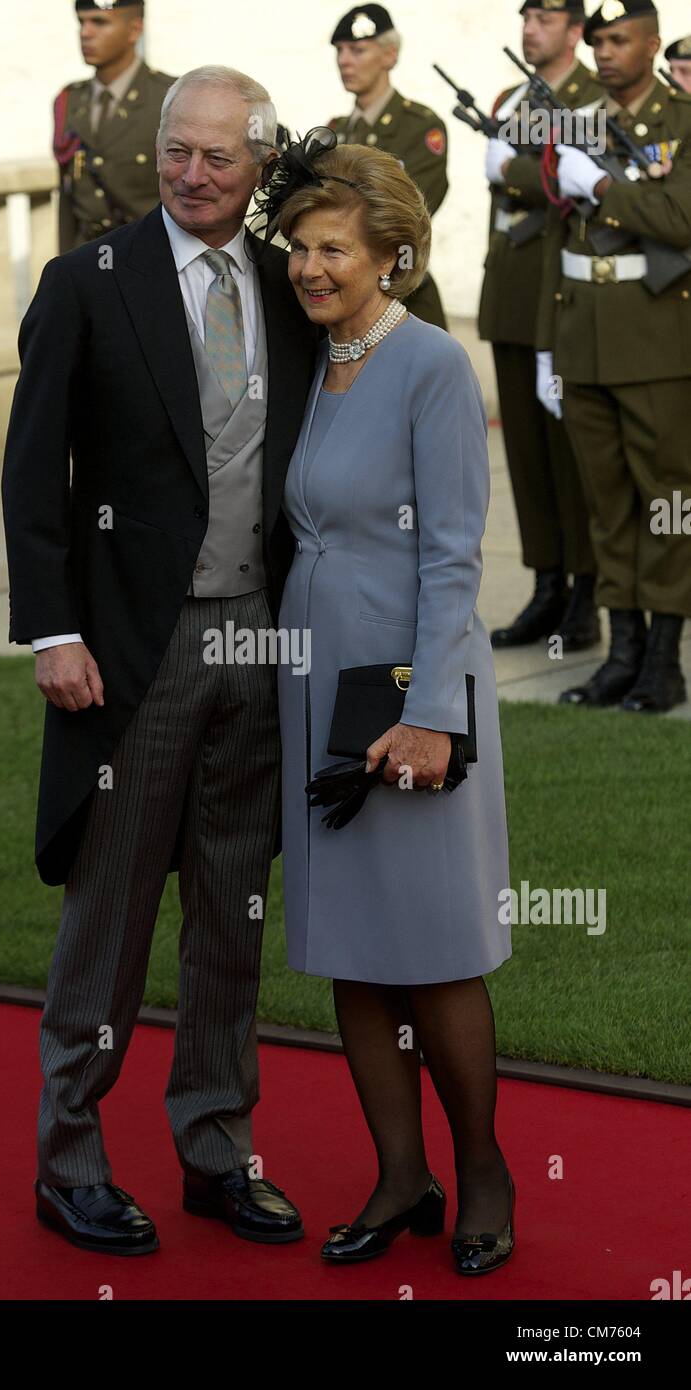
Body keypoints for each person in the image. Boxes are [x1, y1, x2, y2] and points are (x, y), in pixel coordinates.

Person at [1, 66, 317, 1256]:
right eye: (177, 150)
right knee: (112, 913)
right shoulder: (85, 284)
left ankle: (218, 1149)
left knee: (232, 911)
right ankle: (69, 1160)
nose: (190, 173)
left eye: (219, 158)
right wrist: (54, 629)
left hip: (264, 644)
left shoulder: (292, 285)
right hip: (135, 652)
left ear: (260, 165)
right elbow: (34, 476)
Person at [269, 134, 515, 1275]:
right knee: (356, 948)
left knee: (433, 942)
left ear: (392, 257)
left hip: (412, 684)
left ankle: (482, 1173)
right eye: (299, 247)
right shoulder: (314, 361)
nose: (310, 268)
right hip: (314, 679)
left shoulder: (432, 366)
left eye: (332, 249)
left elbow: (454, 559)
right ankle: (398, 1171)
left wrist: (428, 712)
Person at [536, 0, 691, 713]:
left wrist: (600, 185)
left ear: (651, 44)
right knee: (606, 505)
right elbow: (551, 247)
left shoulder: (681, 121)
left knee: (666, 501)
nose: (604, 51)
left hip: (654, 338)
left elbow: (680, 221)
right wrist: (546, 343)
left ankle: (663, 659)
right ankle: (619, 654)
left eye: (618, 38)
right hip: (581, 335)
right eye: (595, 40)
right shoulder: (575, 122)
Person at [481, 1, 603, 652]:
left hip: (561, 297)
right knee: (526, 456)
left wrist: (509, 169)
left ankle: (586, 594)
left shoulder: (592, 97)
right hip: (509, 291)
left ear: (575, 31)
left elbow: (572, 182)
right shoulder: (510, 96)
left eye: (546, 17)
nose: (530, 27)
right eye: (525, 16)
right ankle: (545, 584)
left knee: (570, 455)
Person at [327, 3, 449, 329]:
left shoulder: (420, 127)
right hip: (342, 296)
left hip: (401, 292)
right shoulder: (336, 131)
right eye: (340, 50)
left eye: (357, 50)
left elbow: (409, 213)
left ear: (389, 55)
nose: (344, 60)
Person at [54, 0, 175, 252]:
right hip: (87, 260)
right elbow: (68, 203)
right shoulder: (71, 101)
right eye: (81, 22)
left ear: (134, 29)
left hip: (149, 255)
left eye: (99, 22)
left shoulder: (170, 99)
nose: (85, 33)